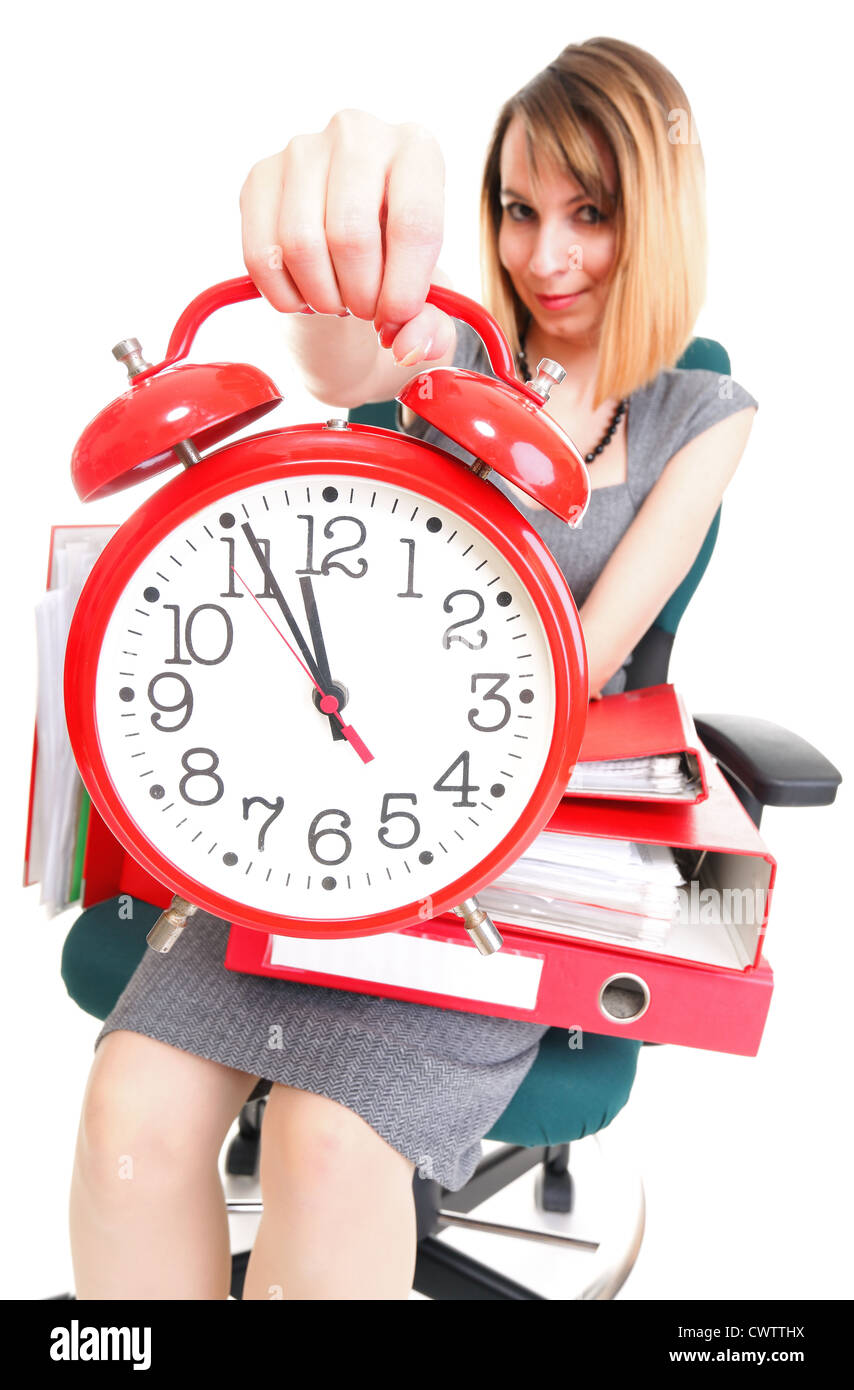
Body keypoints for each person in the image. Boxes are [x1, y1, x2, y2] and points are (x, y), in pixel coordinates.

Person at [69, 36, 758, 1301]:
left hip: (494, 828)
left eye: (588, 213)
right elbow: (342, 367)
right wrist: (346, 271)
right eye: (516, 210)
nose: (544, 257)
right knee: (127, 1126)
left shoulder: (702, 414)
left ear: (652, 219)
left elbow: (582, 656)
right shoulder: (447, 350)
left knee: (326, 1143)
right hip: (319, 793)